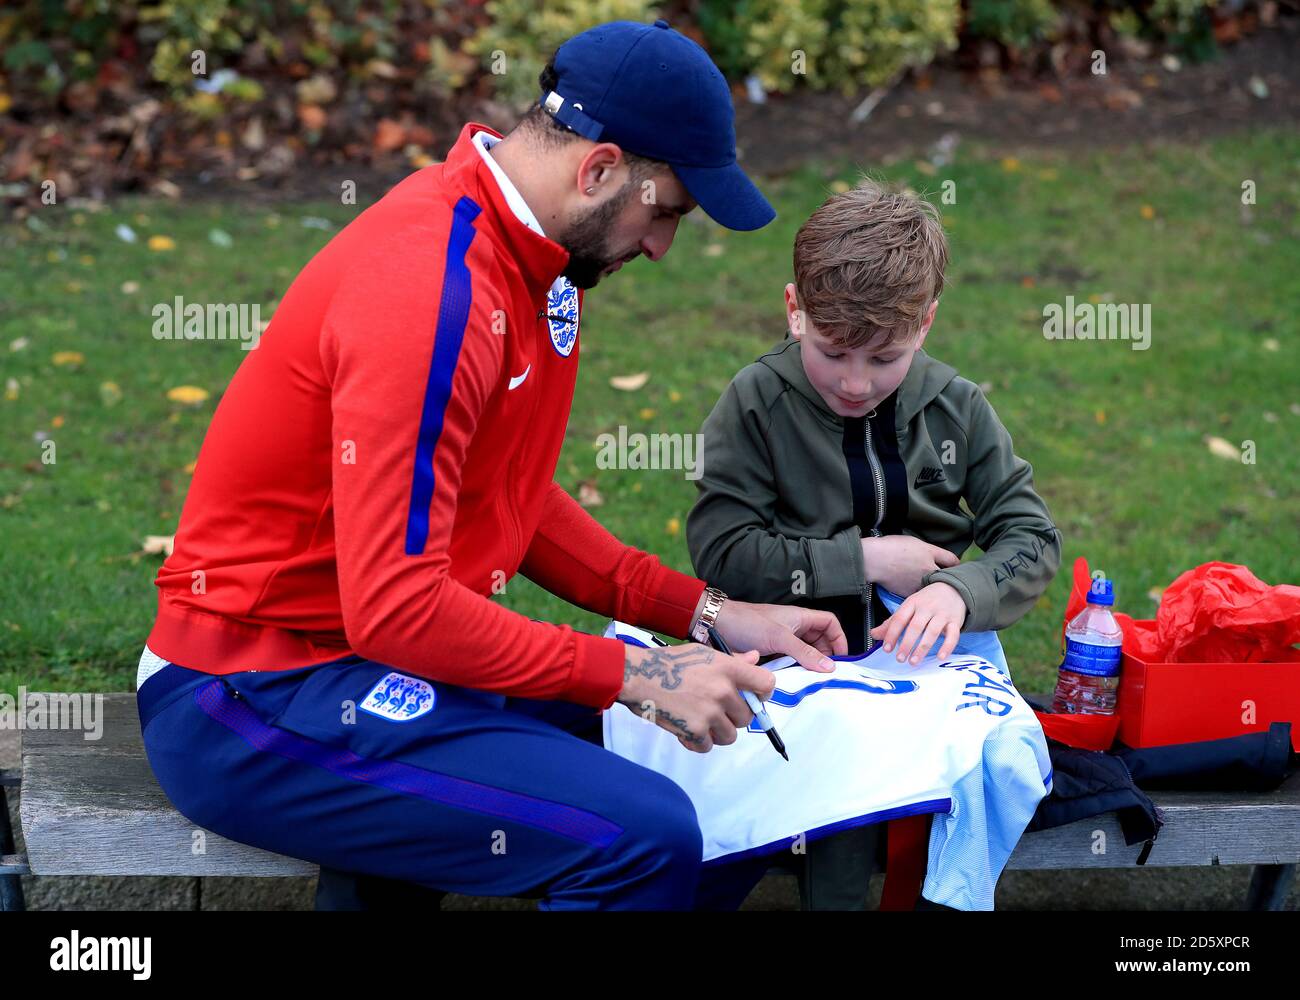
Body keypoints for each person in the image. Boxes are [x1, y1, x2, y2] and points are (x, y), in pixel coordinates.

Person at [135, 19, 847, 912]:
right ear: (599, 170)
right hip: (250, 691)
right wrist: (635, 672)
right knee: (643, 835)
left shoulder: (542, 258)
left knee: (727, 764)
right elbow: (396, 606)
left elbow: (509, 491)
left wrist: (708, 615)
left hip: (372, 662)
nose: (662, 245)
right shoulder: (432, 291)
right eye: (664, 211)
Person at [686, 178, 1062, 910]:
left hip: (927, 675)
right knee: (847, 777)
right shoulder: (755, 402)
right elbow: (723, 554)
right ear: (794, 310)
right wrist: (862, 559)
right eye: (834, 353)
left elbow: (1031, 536)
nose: (856, 383)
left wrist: (962, 590)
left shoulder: (957, 407)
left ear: (925, 323)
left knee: (990, 767)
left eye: (883, 359)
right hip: (791, 671)